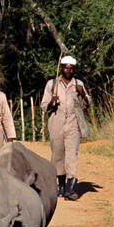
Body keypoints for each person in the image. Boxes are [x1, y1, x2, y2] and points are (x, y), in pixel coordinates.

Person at [40, 54, 91, 198]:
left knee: (71, 154)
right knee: (57, 155)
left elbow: (86, 105)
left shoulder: (78, 84)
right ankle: (61, 185)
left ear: (74, 69)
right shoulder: (52, 84)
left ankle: (71, 187)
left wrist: (83, 94)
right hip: (56, 121)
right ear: (61, 67)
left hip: (73, 123)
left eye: (71, 68)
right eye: (65, 67)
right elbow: (44, 106)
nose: (68, 70)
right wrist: (52, 102)